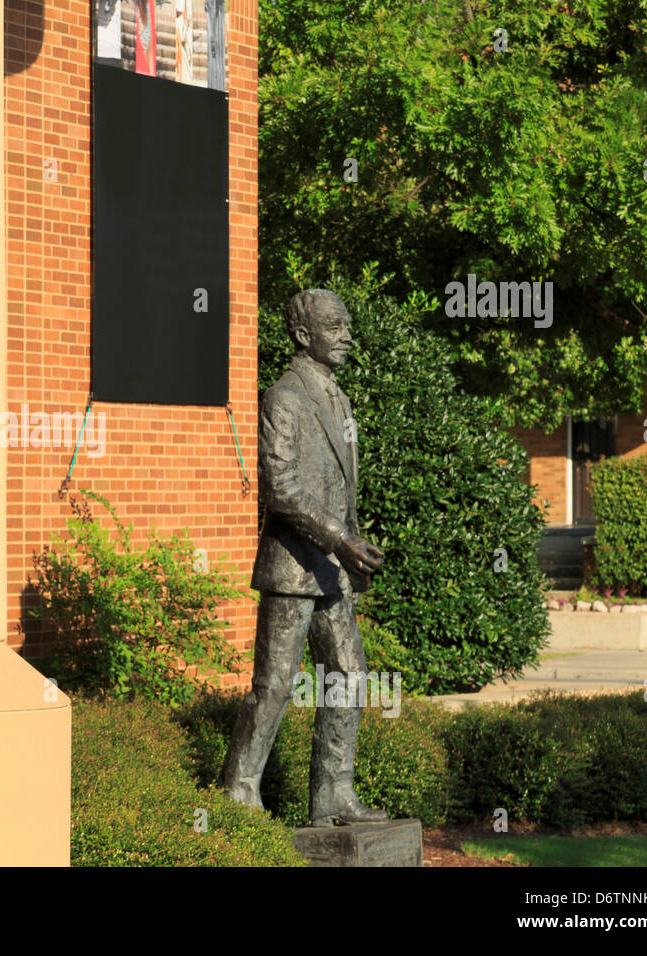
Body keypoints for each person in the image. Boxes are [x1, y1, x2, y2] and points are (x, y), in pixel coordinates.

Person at [220, 289, 389, 826]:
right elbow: (281, 487)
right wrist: (340, 538)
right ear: (302, 335)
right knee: (274, 685)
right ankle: (238, 792)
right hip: (294, 568)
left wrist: (351, 547)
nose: (346, 337)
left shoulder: (338, 398)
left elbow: (342, 485)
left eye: (345, 327)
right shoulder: (284, 398)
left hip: (333, 571)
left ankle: (333, 797)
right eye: (335, 328)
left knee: (349, 676)